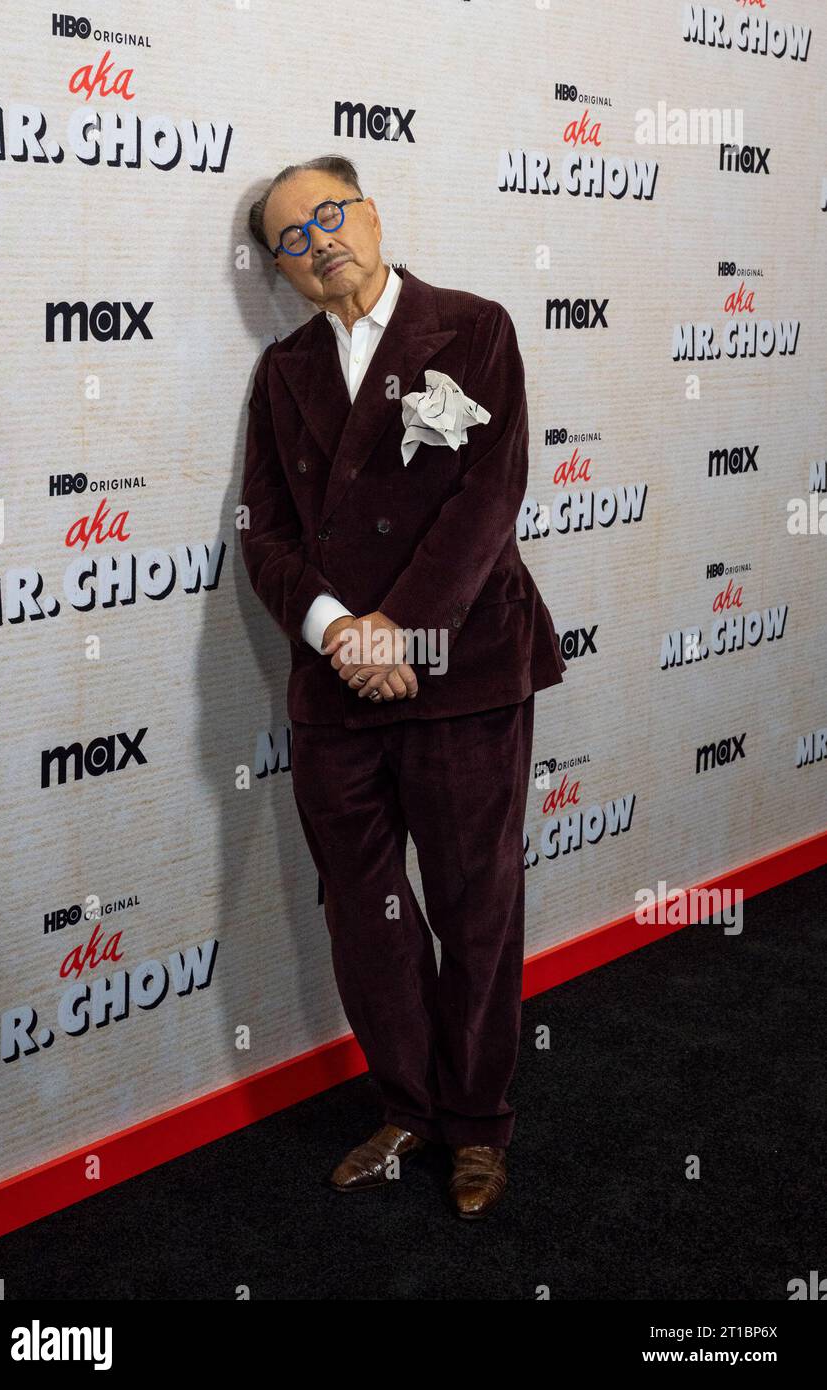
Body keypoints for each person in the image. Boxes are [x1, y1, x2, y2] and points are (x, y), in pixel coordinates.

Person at [242, 155, 566, 1218]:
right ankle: (407, 1105)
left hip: (462, 672)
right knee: (367, 918)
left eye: (330, 213)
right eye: (293, 235)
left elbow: (487, 496)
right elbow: (268, 536)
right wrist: (342, 630)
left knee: (474, 907)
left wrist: (402, 632)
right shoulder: (283, 371)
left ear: (371, 212)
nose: (318, 239)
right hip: (335, 683)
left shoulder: (472, 328)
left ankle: (477, 1126)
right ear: (281, 269)